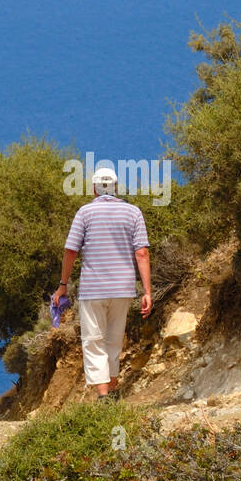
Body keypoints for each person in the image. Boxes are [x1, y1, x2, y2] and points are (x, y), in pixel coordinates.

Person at [50, 167, 152, 400]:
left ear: (94, 188)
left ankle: (104, 396)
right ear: (115, 187)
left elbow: (70, 250)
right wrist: (147, 291)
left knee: (93, 340)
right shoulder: (133, 212)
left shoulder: (85, 213)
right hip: (123, 288)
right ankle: (113, 391)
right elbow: (142, 253)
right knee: (114, 339)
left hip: (93, 290)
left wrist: (63, 284)